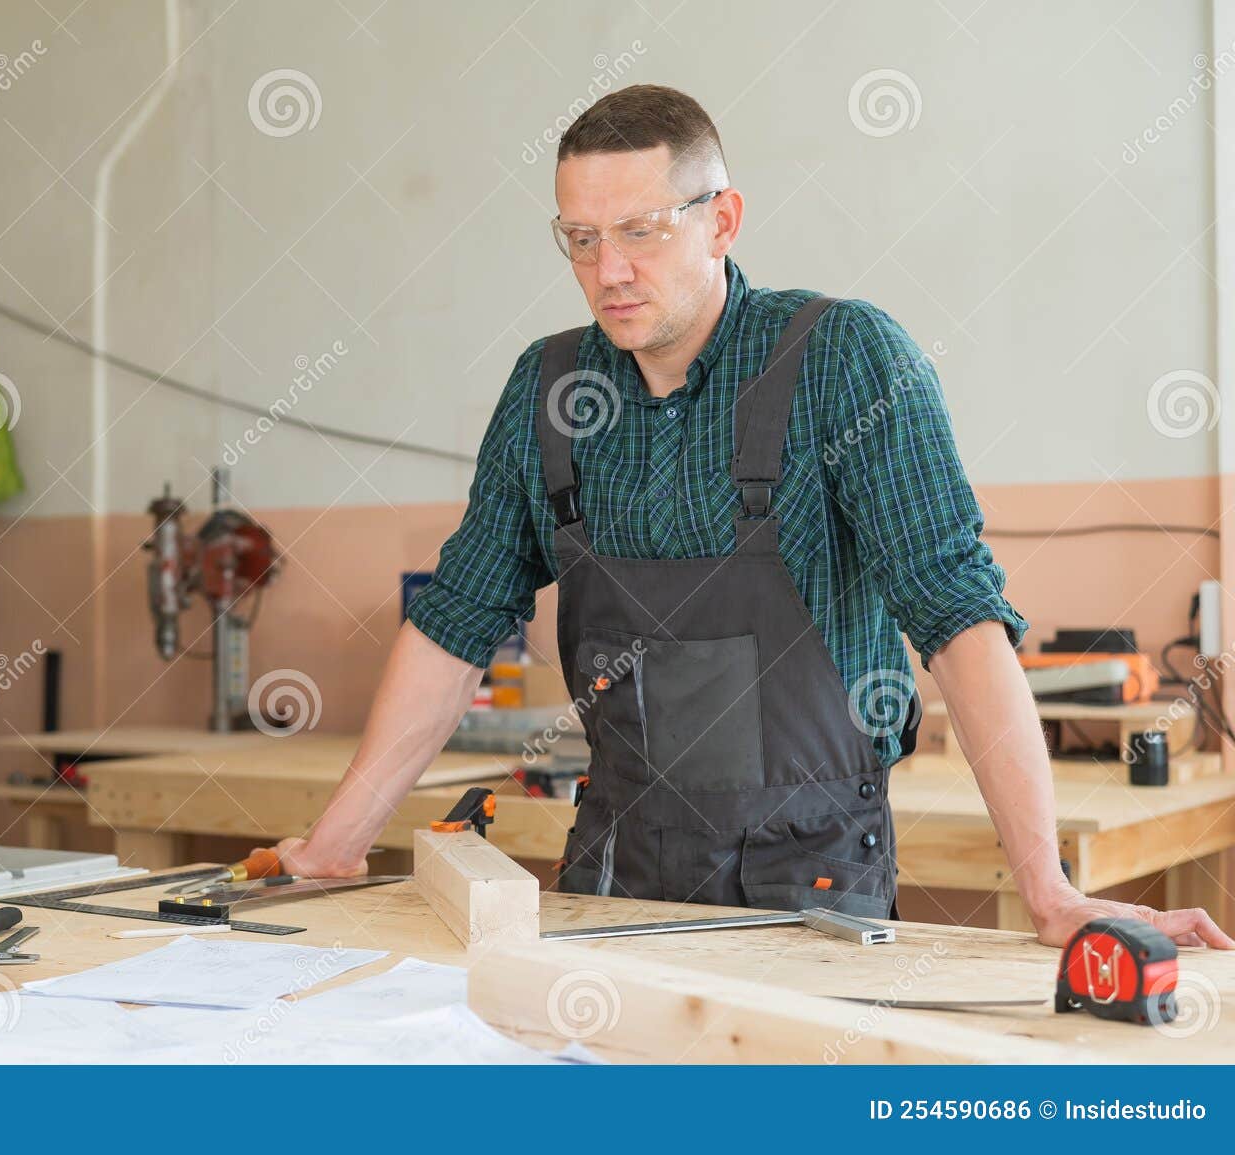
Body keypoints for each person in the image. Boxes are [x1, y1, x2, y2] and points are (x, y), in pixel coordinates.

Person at [265, 84, 1232, 950]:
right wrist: (335, 844)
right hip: (612, 890)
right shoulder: (550, 390)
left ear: (722, 219)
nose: (610, 272)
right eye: (581, 238)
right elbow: (458, 621)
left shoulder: (843, 361)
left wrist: (1049, 888)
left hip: (810, 891)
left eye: (641, 230)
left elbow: (960, 621)